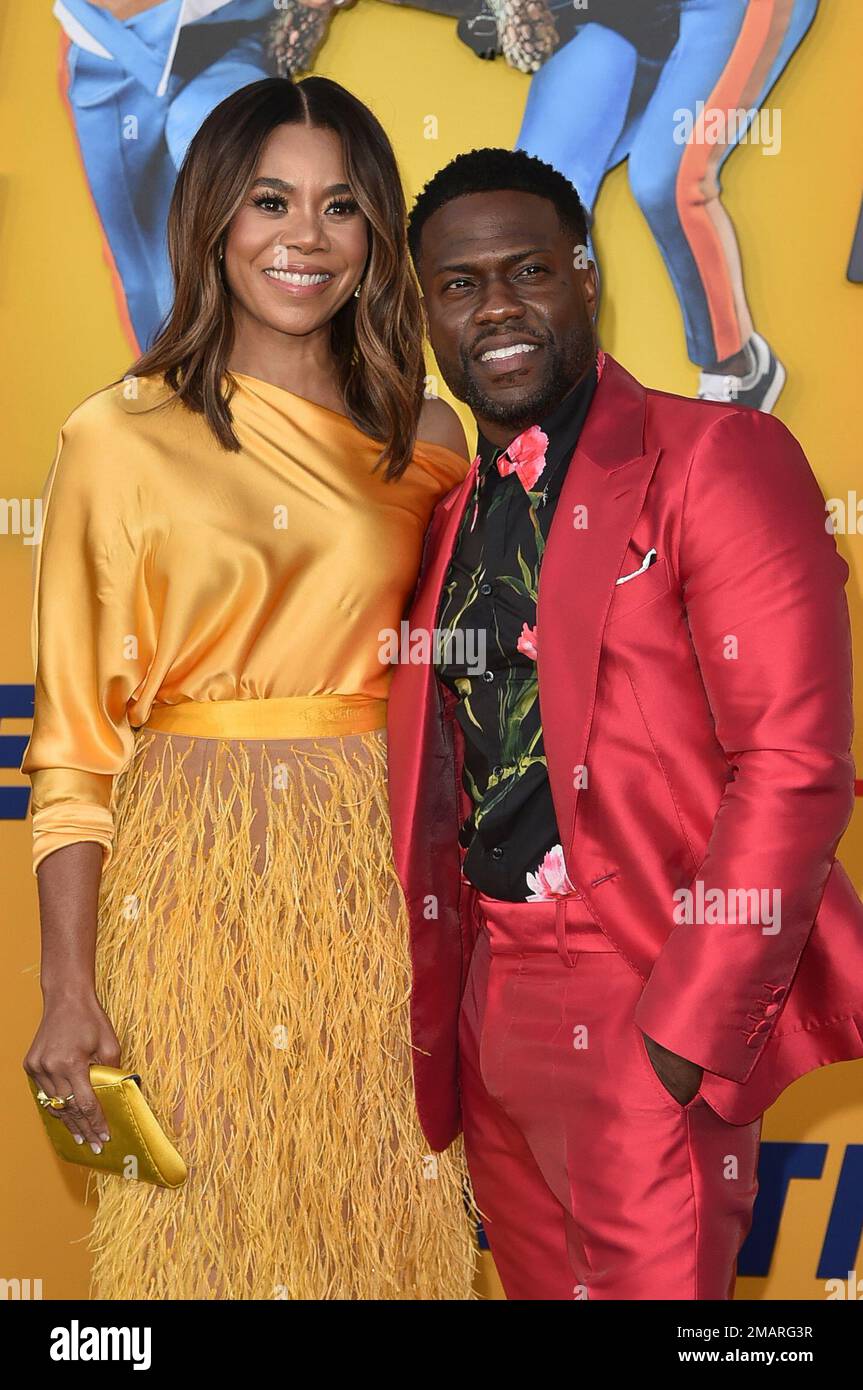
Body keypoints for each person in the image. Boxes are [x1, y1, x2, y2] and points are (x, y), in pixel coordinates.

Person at [20, 76, 479, 1301]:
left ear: (374, 235)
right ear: (214, 218)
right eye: (270, 200)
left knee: (388, 1237)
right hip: (189, 903)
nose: (304, 238)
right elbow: (71, 744)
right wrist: (67, 990)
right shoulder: (116, 437)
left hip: (377, 904)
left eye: (340, 208)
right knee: (199, 1254)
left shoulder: (429, 438)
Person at [386, 145, 863, 1299]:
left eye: (526, 270)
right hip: (491, 1010)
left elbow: (793, 765)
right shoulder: (447, 509)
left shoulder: (714, 458)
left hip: (648, 985)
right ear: (424, 316)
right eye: (458, 285)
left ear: (586, 278)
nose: (494, 307)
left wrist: (681, 1034)